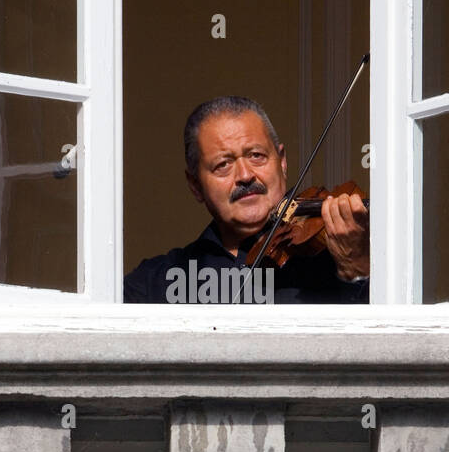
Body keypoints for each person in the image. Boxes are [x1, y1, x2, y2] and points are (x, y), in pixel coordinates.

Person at [124, 96, 369, 304]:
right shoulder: (157, 281)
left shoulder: (339, 257)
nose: (245, 175)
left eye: (256, 156)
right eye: (223, 165)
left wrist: (356, 271)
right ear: (195, 185)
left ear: (282, 162)